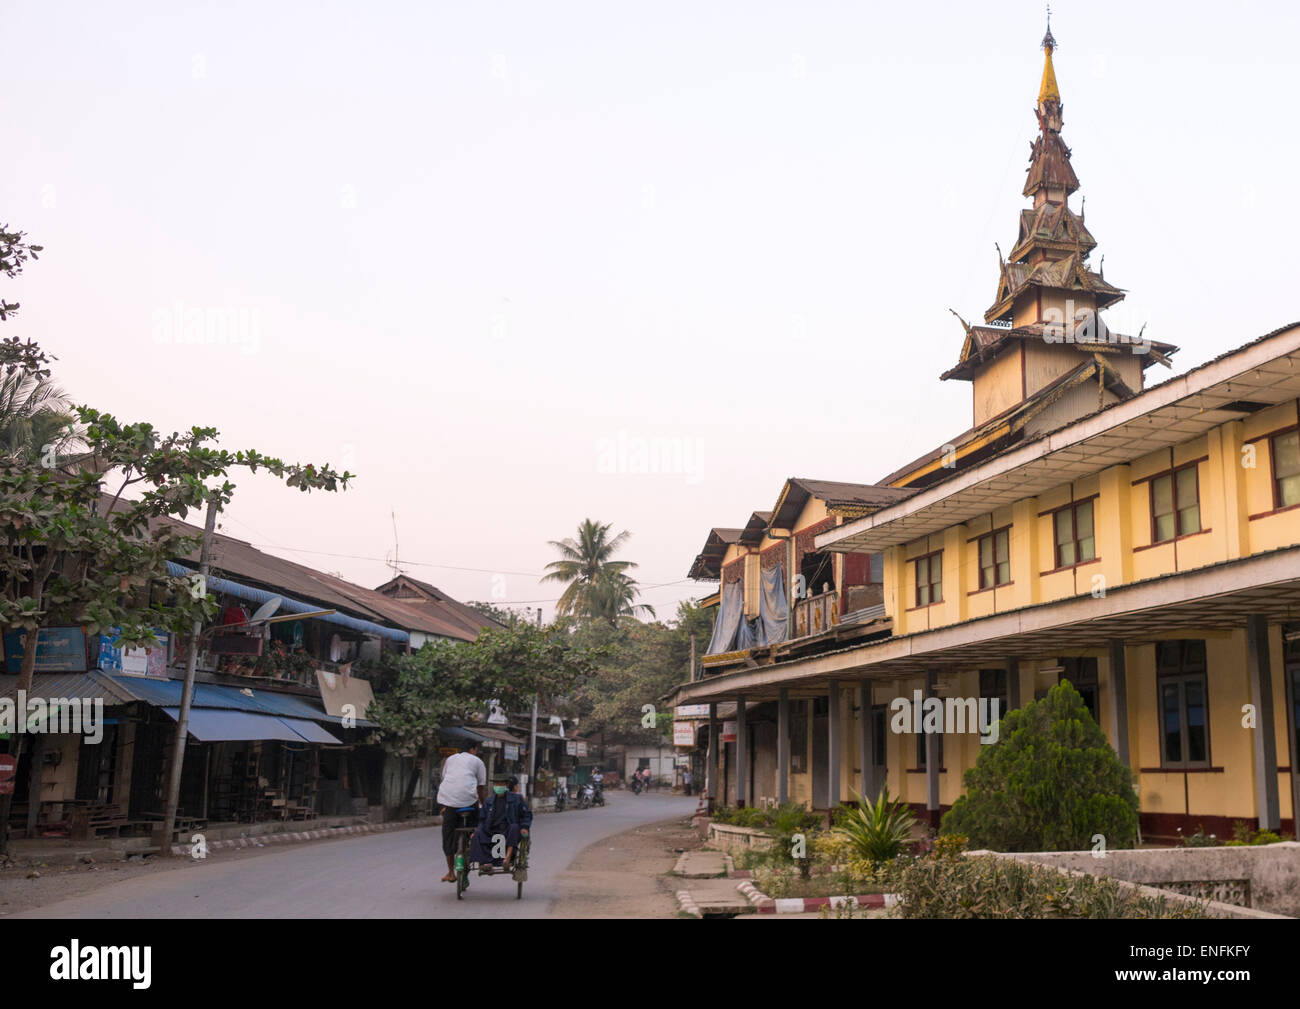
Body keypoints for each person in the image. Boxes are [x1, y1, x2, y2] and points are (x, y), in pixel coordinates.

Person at [437, 741, 487, 883]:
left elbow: (447, 780)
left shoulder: (450, 759)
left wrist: (447, 804)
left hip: (449, 802)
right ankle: (473, 842)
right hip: (469, 801)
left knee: (447, 835)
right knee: (477, 827)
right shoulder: (478, 761)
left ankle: (451, 872)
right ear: (473, 749)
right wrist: (484, 805)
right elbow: (481, 788)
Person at [469, 774, 532, 870]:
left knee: (515, 827)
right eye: (496, 784)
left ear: (506, 785)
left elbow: (527, 814)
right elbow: (482, 819)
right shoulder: (488, 801)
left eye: (501, 784)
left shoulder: (516, 799)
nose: (498, 786)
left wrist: (524, 827)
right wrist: (477, 830)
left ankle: (507, 858)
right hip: (491, 830)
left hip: (507, 830)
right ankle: (485, 862)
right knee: (478, 833)